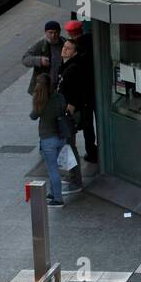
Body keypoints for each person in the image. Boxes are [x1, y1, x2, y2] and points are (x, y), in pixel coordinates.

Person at [29, 72, 68, 208]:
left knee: (52, 169)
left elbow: (33, 116)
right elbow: (65, 109)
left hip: (47, 139)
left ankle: (58, 198)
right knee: (55, 167)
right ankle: (53, 193)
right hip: (61, 137)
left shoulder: (40, 100)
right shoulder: (58, 97)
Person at [58, 40, 92, 183]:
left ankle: (75, 178)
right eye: (64, 47)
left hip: (68, 114)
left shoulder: (72, 69)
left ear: (75, 52)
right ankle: (73, 176)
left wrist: (68, 112)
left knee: (69, 145)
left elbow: (74, 93)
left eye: (69, 48)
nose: (65, 50)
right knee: (68, 145)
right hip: (67, 111)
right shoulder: (67, 66)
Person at [63, 20, 96, 163]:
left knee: (87, 122)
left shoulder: (75, 55)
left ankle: (91, 151)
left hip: (84, 93)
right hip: (96, 86)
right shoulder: (92, 40)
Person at [23, 20, 64, 89]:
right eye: (50, 33)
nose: (53, 35)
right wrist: (39, 60)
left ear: (59, 32)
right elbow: (25, 59)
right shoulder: (40, 45)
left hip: (59, 82)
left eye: (56, 32)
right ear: (46, 32)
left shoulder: (64, 42)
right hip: (43, 85)